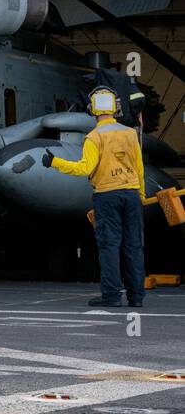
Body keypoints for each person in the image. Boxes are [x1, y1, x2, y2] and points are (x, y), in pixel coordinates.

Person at [43, 86, 147, 307]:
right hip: (131, 195)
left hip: (107, 196)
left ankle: (111, 296)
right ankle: (136, 297)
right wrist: (141, 195)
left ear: (92, 110)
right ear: (115, 108)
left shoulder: (93, 137)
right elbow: (139, 168)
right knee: (134, 246)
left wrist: (55, 162)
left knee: (110, 246)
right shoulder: (130, 134)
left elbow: (84, 169)